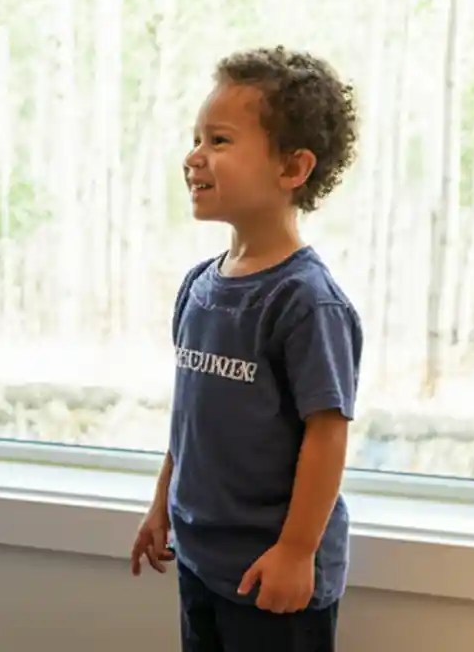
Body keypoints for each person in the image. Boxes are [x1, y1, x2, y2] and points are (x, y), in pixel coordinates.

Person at [129, 46, 363, 652]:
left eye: (220, 140)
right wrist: (162, 506)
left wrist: (296, 551)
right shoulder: (198, 287)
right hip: (202, 559)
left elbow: (327, 434)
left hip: (273, 575)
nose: (194, 157)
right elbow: (190, 421)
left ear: (293, 168)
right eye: (196, 138)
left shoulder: (306, 301)